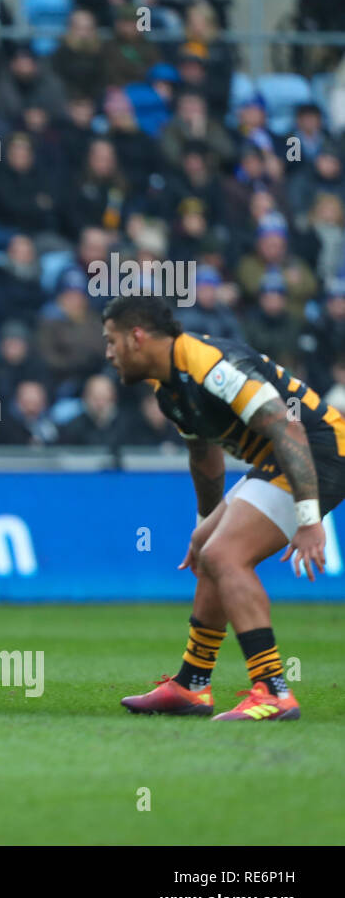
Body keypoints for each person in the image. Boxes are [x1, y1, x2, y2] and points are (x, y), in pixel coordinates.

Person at [103, 295, 344, 720]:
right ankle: (191, 685)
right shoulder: (169, 390)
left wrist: (309, 519)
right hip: (282, 460)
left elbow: (288, 427)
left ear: (137, 337)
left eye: (111, 341)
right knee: (212, 548)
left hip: (319, 452)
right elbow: (206, 459)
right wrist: (205, 524)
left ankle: (273, 691)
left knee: (225, 555)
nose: (109, 353)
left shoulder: (212, 367)